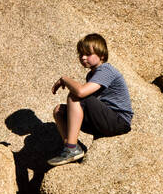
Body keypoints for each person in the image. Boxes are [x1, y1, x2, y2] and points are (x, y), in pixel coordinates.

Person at [46, 32, 133, 166]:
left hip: (118, 122)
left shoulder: (106, 70)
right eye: (81, 54)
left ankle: (71, 148)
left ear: (102, 55)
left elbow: (81, 92)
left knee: (75, 96)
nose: (83, 57)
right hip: (103, 120)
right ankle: (72, 148)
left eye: (88, 54)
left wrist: (64, 79)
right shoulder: (91, 75)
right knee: (59, 111)